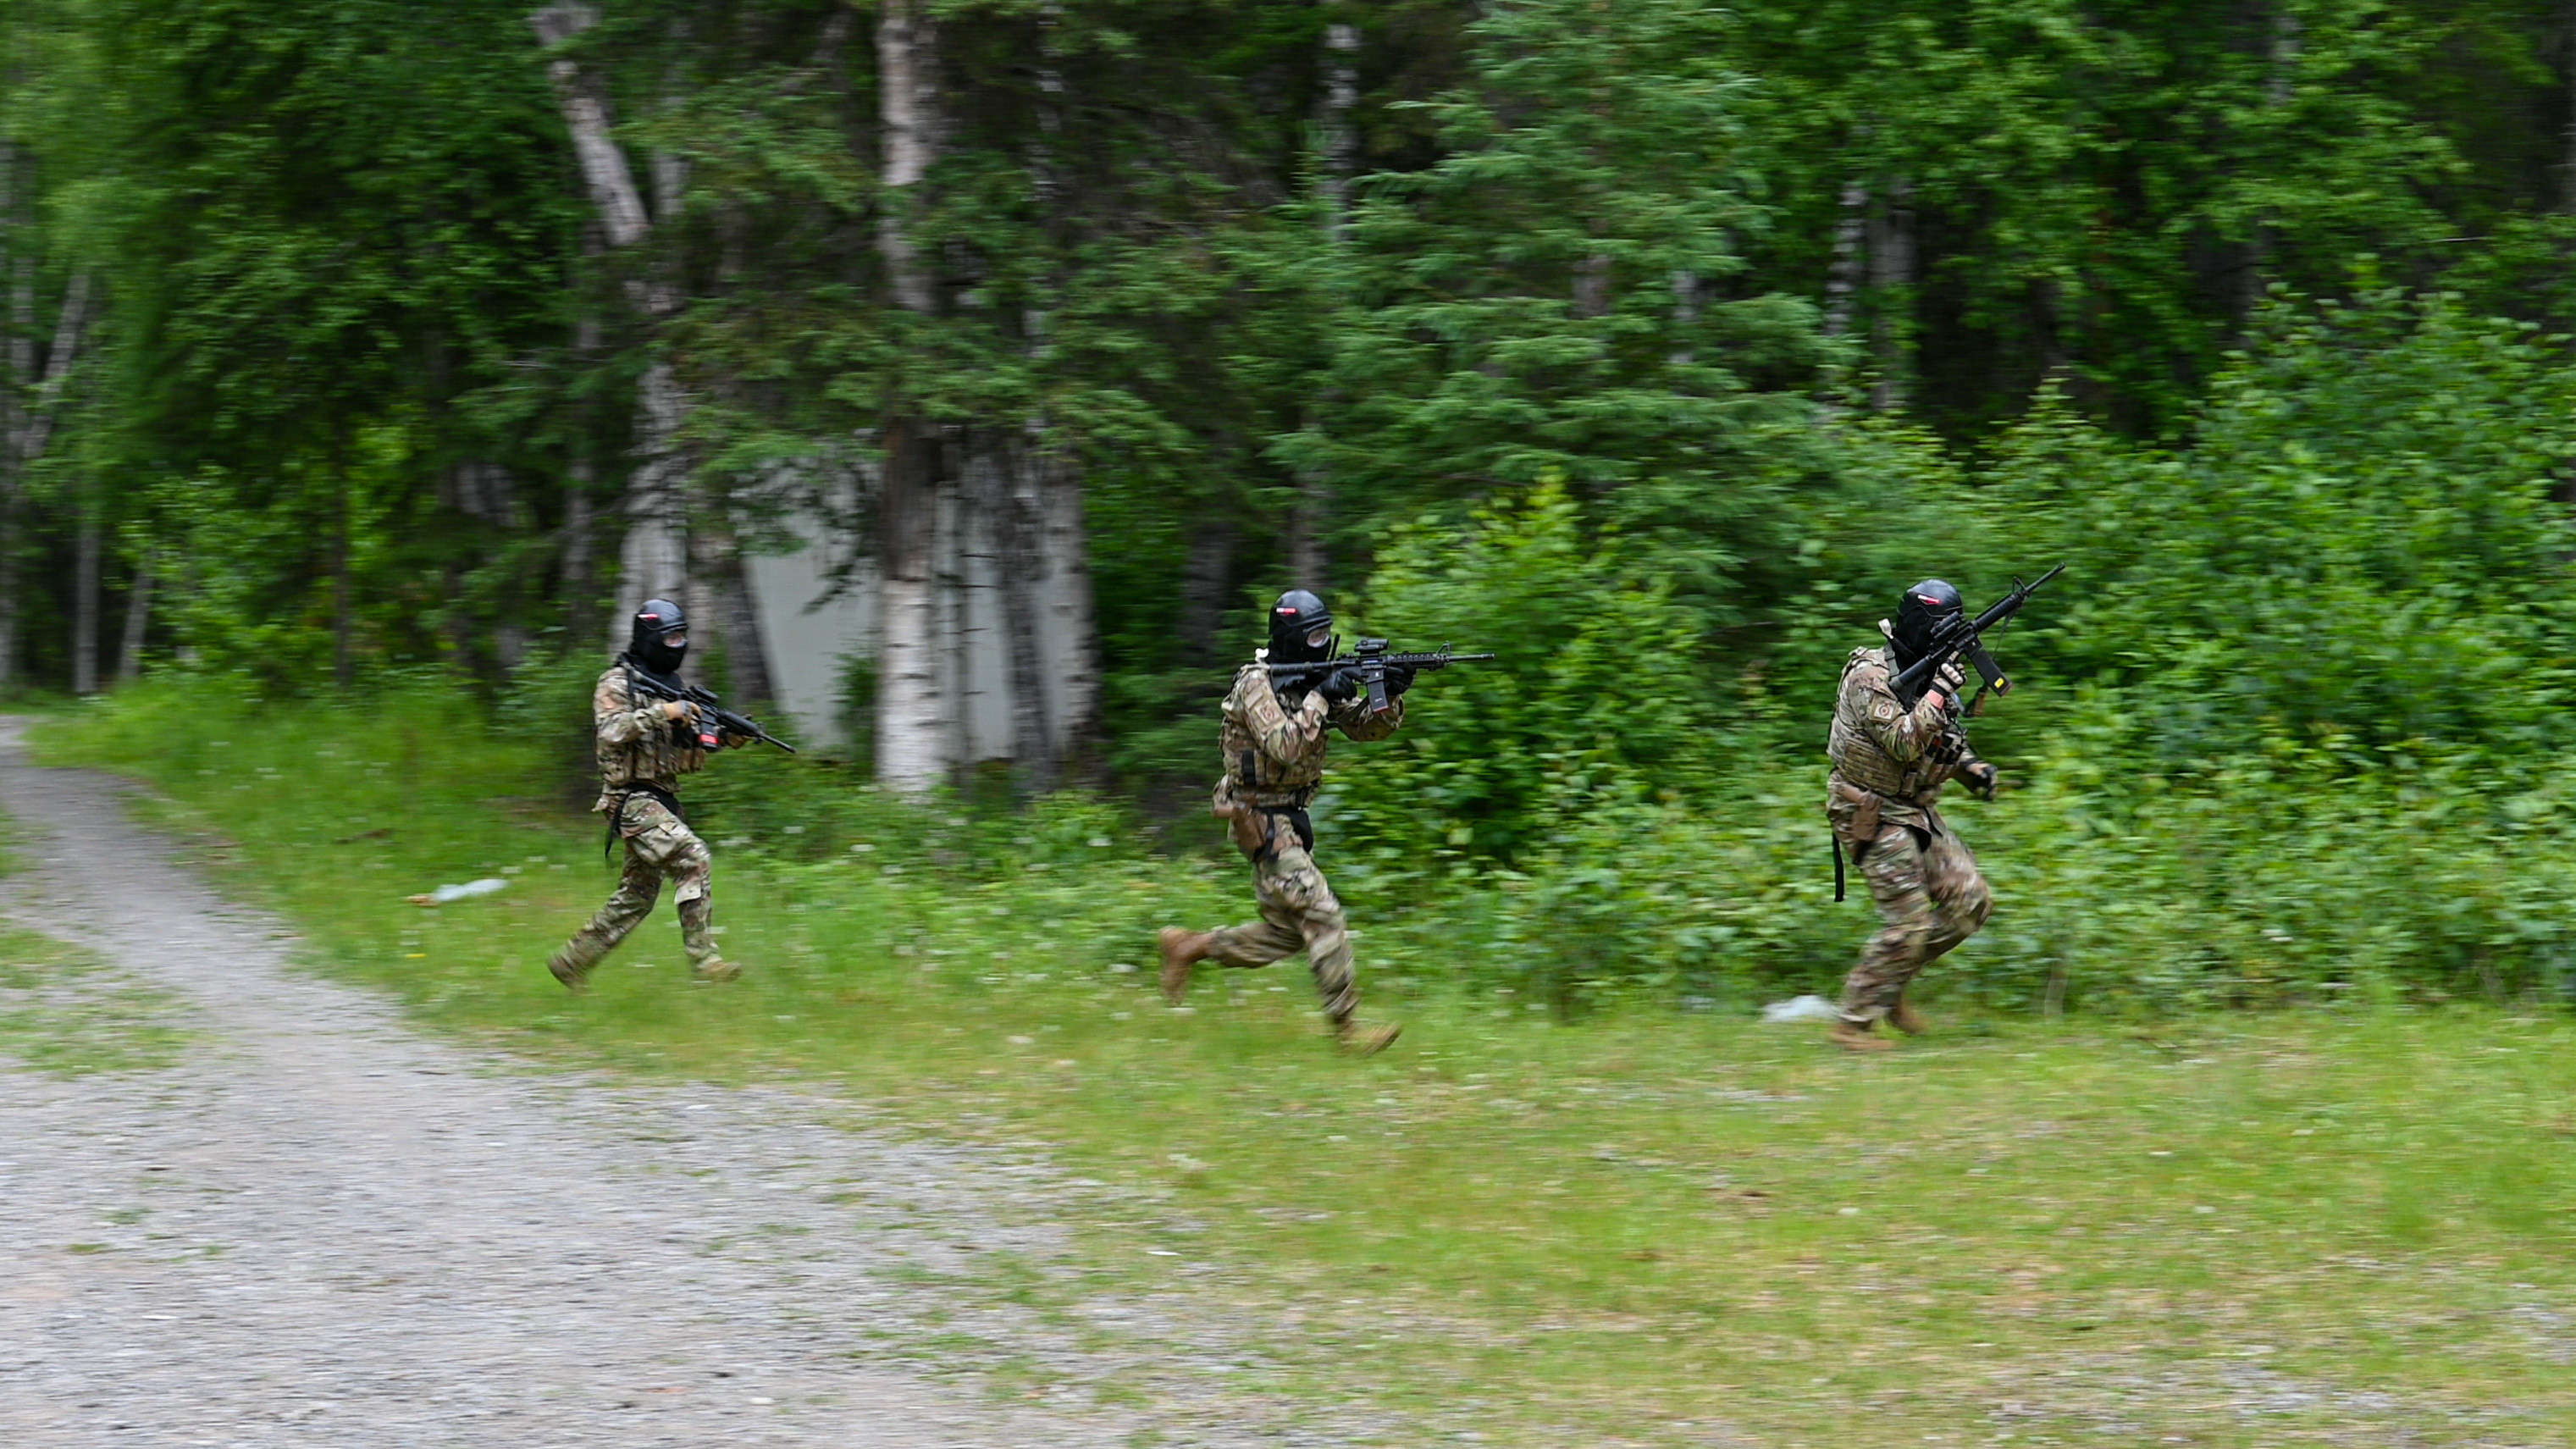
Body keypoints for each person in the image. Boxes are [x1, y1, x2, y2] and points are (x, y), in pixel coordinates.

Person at [1155, 590, 1407, 1055]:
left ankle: (1189, 947)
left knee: (1287, 933)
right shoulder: (1256, 684)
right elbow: (1285, 746)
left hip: (1292, 816)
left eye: (1325, 634)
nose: (1322, 643)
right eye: (1313, 636)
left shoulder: (1308, 679)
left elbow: (1364, 729)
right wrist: (1322, 695)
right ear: (1290, 637)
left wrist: (1387, 694)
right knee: (1323, 915)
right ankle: (1347, 1031)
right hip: (1259, 818)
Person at [1824, 579, 2000, 1052]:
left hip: (1915, 810)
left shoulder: (1931, 675)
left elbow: (1938, 739)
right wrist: (1940, 690)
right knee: (1909, 924)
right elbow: (1903, 741)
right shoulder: (1869, 677)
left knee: (1972, 902)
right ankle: (1852, 1024)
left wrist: (1969, 768)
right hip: (1868, 807)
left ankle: (1891, 983)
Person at [547, 600, 747, 990]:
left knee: (637, 896)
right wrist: (664, 713)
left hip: (662, 800)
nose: (678, 644)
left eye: (682, 637)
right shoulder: (616, 683)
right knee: (694, 857)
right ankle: (705, 960)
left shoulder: (672, 688)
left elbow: (681, 754)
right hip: (630, 800)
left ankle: (571, 962)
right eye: (671, 637)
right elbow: (611, 732)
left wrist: (723, 738)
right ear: (650, 637)